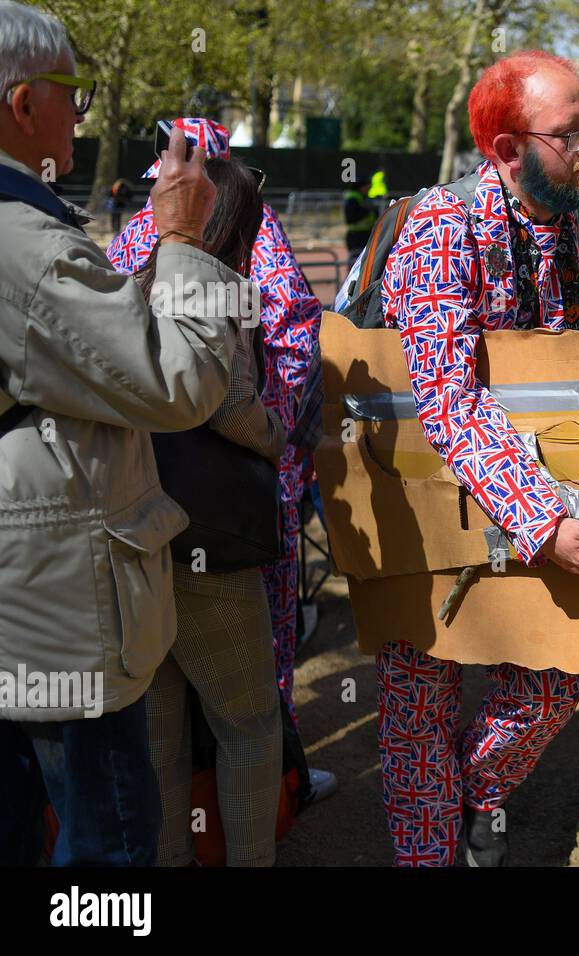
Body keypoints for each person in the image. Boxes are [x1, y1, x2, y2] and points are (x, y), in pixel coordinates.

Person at [0, 0, 244, 865]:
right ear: (24, 103)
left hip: (26, 609)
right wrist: (184, 243)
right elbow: (182, 381)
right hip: (58, 621)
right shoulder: (21, 243)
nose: (81, 111)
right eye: (73, 91)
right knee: (106, 858)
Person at [376, 49, 579, 867]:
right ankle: (432, 847)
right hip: (426, 503)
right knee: (419, 699)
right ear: (507, 150)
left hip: (533, 494)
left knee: (553, 679)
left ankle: (474, 796)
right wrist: (543, 519)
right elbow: (448, 397)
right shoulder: (443, 226)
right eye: (572, 132)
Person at [106, 121, 327, 792]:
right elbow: (291, 343)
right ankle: (275, 788)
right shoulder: (248, 234)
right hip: (231, 493)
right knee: (255, 674)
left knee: (159, 692)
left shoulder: (133, 237)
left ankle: (202, 823)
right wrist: (277, 439)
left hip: (141, 495)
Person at [134, 157, 285, 867]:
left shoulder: (135, 282)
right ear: (238, 223)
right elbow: (227, 404)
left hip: (136, 531)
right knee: (248, 725)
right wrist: (277, 436)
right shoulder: (224, 289)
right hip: (210, 543)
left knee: (158, 734)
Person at [343, 182, 376, 265]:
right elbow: (350, 218)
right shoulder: (353, 198)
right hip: (356, 236)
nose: (369, 190)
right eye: (367, 187)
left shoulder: (364, 197)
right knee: (355, 261)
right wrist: (367, 210)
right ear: (361, 187)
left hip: (367, 234)